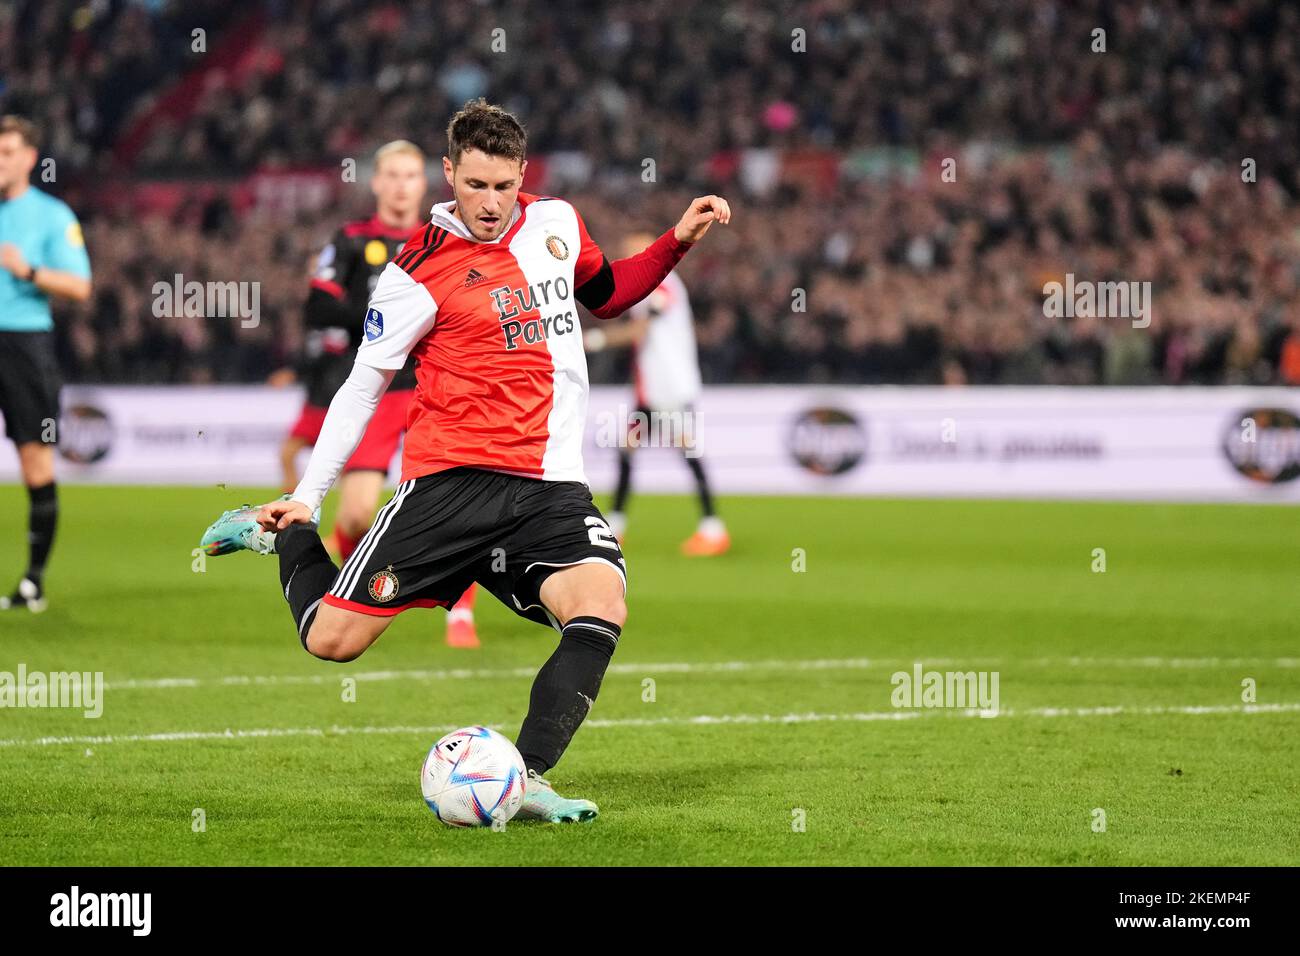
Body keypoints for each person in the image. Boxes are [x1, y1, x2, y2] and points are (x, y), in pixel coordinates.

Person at [201, 99, 730, 822]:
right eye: (474, 185)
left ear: (523, 175)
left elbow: (607, 295)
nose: (489, 203)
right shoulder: (414, 270)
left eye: (503, 186)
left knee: (601, 602)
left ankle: (531, 775)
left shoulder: (556, 223)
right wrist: (309, 494)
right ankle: (281, 531)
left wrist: (676, 240)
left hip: (548, 487)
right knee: (331, 639)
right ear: (449, 174)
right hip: (450, 485)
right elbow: (363, 386)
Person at [272, 140, 480, 647]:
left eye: (411, 175)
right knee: (357, 514)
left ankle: (461, 615)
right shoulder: (349, 240)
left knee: (460, 502)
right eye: (393, 174)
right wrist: (385, 319)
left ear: (424, 181)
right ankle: (362, 590)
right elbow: (317, 308)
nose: (402, 184)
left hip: (439, 385)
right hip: (379, 388)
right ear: (377, 181)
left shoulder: (449, 239)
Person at [584, 231, 728, 555]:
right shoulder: (654, 285)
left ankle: (713, 528)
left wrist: (591, 341)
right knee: (628, 449)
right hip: (651, 387)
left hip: (669, 386)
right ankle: (615, 526)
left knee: (686, 450)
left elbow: (640, 330)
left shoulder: (662, 284)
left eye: (632, 251)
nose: (624, 258)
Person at [0, 116, 92, 613]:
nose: (0, 160)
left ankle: (32, 580)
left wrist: (29, 271)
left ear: (31, 159)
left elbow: (80, 287)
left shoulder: (53, 215)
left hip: (24, 345)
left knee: (35, 460)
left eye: (8, 152)